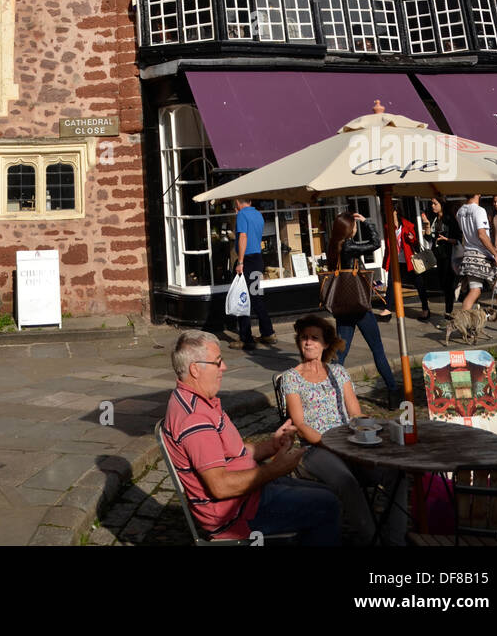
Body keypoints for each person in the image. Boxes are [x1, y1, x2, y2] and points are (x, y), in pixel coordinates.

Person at [163, 330, 340, 544]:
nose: (224, 367)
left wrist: (272, 446)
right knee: (328, 503)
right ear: (195, 369)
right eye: (217, 362)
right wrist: (276, 469)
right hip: (237, 513)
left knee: (328, 493)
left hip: (247, 496)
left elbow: (230, 454)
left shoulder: (197, 400)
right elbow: (220, 487)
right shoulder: (195, 419)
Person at [283, 314, 407, 546]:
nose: (308, 343)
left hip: (349, 444)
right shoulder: (292, 378)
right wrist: (330, 445)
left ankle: (396, 539)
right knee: (346, 481)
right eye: (304, 338)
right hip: (315, 449)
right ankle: (373, 540)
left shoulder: (338, 373)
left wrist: (373, 428)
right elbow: (299, 424)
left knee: (396, 473)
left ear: (326, 343)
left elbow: (356, 413)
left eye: (314, 338)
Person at [327, 211, 400, 409]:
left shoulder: (333, 246)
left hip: (342, 306)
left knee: (340, 354)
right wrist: (368, 222)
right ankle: (393, 392)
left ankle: (330, 395)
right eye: (354, 225)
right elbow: (375, 243)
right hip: (358, 306)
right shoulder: (349, 246)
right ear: (349, 228)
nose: (356, 227)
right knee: (377, 350)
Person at [456, 193, 497, 334]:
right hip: (484, 257)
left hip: (469, 255)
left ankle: (463, 325)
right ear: (478, 193)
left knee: (474, 291)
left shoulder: (460, 211)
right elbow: (482, 234)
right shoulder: (479, 210)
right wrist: (495, 253)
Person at [229, 196, 277, 350]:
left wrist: (240, 261)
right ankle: (268, 333)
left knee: (242, 298)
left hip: (247, 261)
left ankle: (246, 339)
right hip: (257, 259)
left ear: (238, 202)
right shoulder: (258, 214)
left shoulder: (242, 214)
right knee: (256, 298)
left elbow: (243, 236)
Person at [384, 205, 430, 320]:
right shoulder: (387, 226)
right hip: (395, 260)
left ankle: (425, 308)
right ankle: (387, 309)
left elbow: (414, 242)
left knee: (419, 283)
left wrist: (411, 238)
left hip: (409, 260)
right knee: (391, 284)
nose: (387, 213)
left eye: (390, 210)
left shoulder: (407, 224)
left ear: (396, 211)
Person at [421, 196, 460, 318]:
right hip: (438, 255)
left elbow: (458, 238)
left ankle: (449, 312)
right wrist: (427, 225)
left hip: (449, 255)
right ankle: (453, 303)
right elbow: (428, 238)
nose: (432, 206)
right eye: (431, 203)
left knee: (448, 284)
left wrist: (447, 239)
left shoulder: (449, 219)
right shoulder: (433, 219)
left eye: (435, 203)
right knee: (443, 284)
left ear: (441, 204)